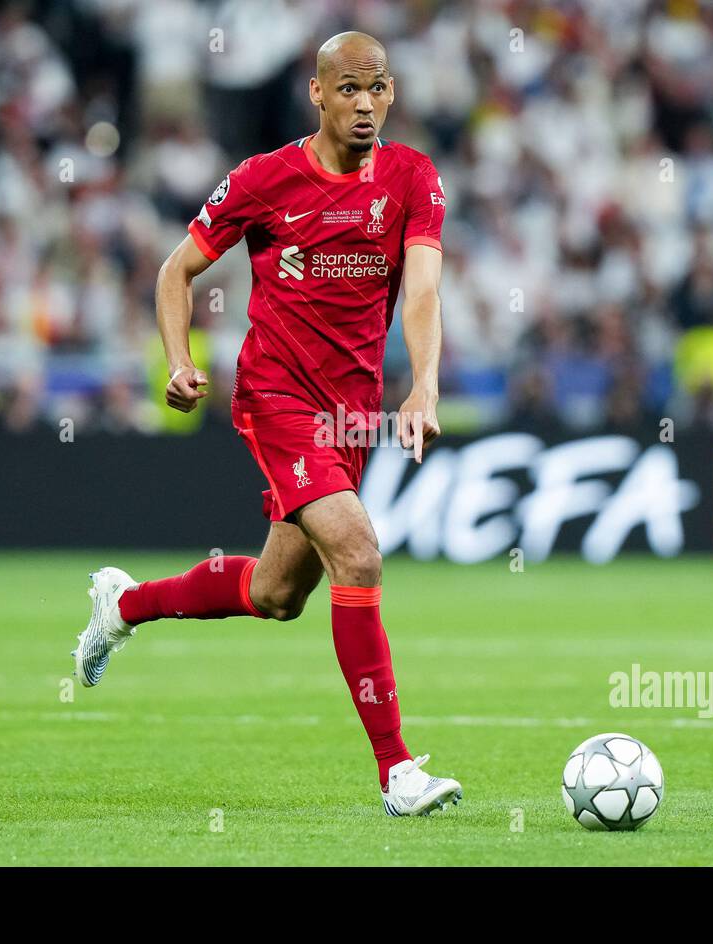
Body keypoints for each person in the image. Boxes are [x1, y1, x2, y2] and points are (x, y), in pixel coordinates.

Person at [72, 32, 462, 817]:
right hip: (278, 398)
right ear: (317, 94)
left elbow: (422, 293)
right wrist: (178, 360)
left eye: (378, 88)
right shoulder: (264, 179)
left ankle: (123, 608)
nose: (365, 104)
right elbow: (174, 270)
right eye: (348, 89)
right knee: (358, 552)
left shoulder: (414, 178)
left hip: (352, 413)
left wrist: (424, 385)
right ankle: (397, 772)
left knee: (277, 592)